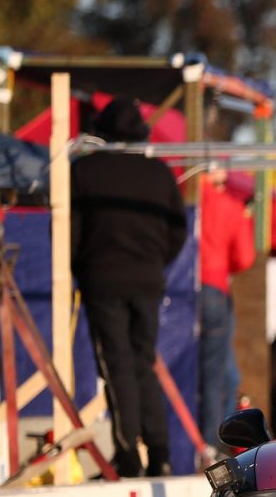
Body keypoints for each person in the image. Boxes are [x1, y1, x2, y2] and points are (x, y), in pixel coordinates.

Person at [71, 98, 187, 477]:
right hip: (147, 279)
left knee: (117, 364)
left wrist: (81, 268)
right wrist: (155, 261)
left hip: (103, 278)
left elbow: (70, 233)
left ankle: (128, 455)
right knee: (143, 362)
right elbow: (177, 231)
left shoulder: (85, 171)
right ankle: (160, 452)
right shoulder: (160, 174)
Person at [197, 169, 255, 453]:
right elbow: (245, 257)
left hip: (179, 290)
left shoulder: (188, 197)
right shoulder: (229, 206)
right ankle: (210, 442)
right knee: (216, 371)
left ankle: (194, 438)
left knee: (190, 367)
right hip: (215, 287)